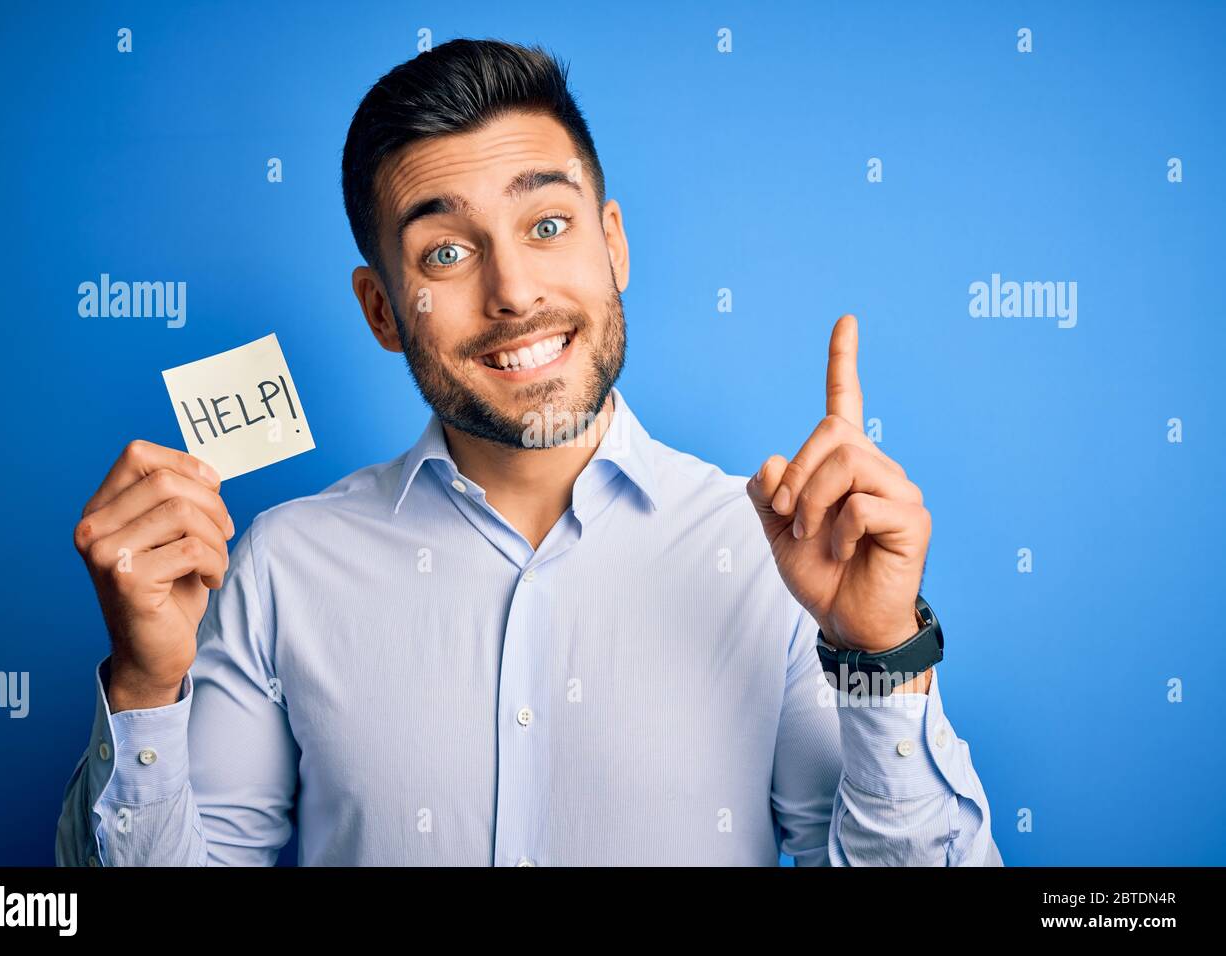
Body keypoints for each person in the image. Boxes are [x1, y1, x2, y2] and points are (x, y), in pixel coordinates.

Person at [56, 38, 1002, 866]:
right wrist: (146, 688)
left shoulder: (777, 558)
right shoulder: (280, 568)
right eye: (446, 254)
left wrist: (880, 656)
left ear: (613, 245)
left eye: (547, 226)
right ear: (383, 309)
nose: (513, 291)